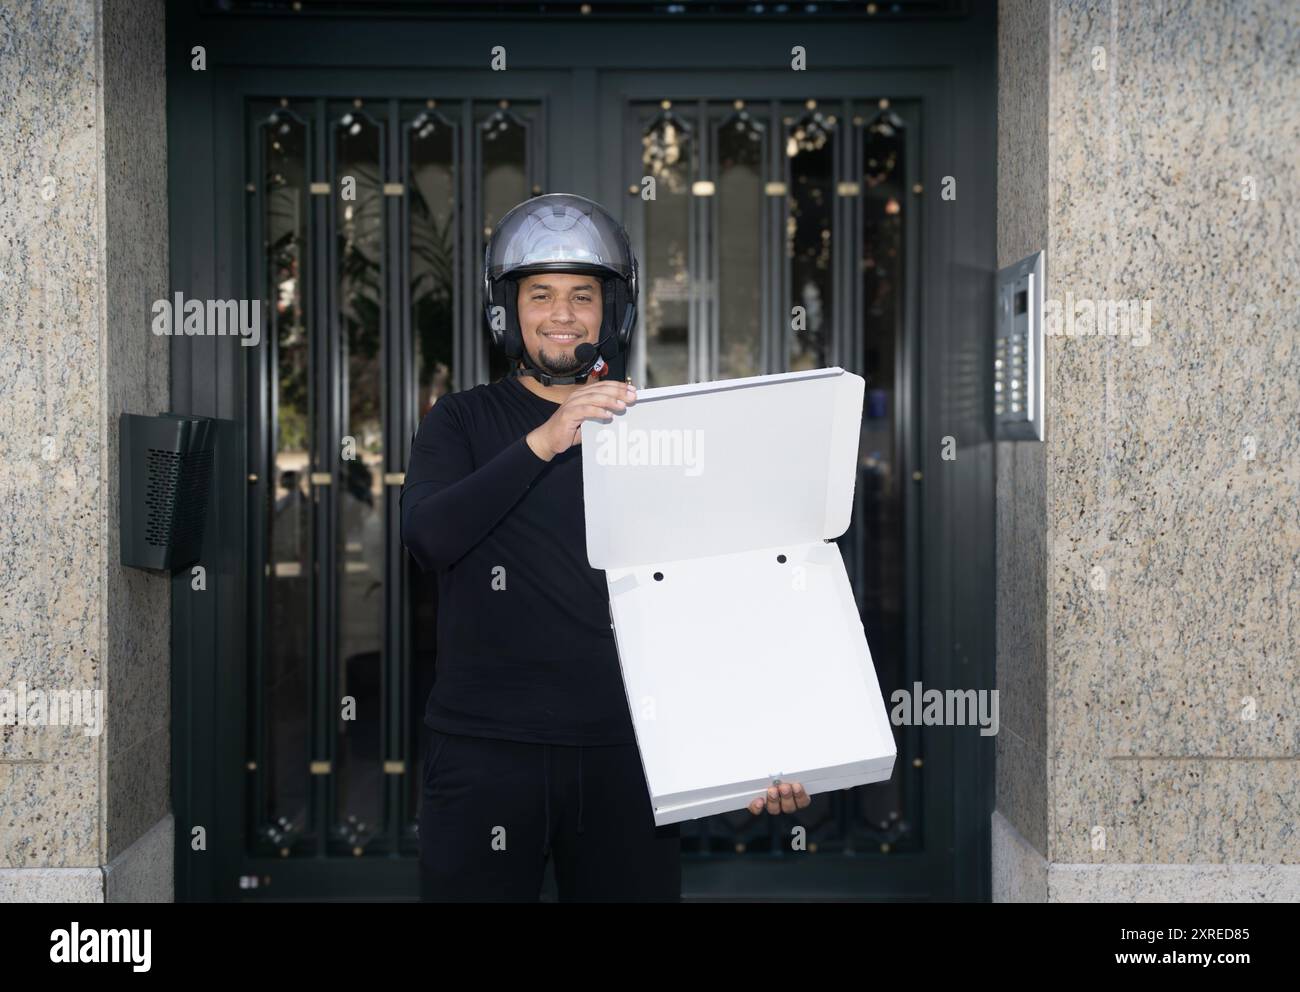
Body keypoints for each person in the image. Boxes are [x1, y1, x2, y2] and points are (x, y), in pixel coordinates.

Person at [401, 193, 810, 903]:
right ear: (507, 310)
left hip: (626, 754)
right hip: (484, 750)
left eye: (582, 295)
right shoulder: (462, 420)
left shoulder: (656, 429)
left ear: (612, 311)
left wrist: (756, 745)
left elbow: (710, 594)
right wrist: (546, 440)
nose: (562, 314)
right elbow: (427, 538)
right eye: (542, 294)